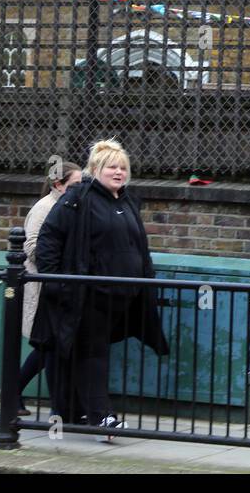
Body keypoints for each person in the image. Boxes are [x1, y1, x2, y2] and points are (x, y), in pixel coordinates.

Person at [31, 139, 168, 437]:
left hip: (120, 297)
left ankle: (73, 412)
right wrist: (58, 283)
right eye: (111, 167)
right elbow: (48, 241)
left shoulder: (128, 200)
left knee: (84, 352)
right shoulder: (78, 198)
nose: (118, 172)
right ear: (95, 169)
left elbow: (137, 246)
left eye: (123, 167)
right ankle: (103, 418)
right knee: (92, 354)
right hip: (87, 293)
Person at [17, 161, 83, 416]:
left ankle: (60, 406)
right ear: (59, 184)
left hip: (59, 286)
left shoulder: (71, 206)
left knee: (50, 346)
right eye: (75, 184)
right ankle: (58, 408)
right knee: (48, 345)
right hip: (44, 286)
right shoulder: (44, 208)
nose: (81, 189)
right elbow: (31, 246)